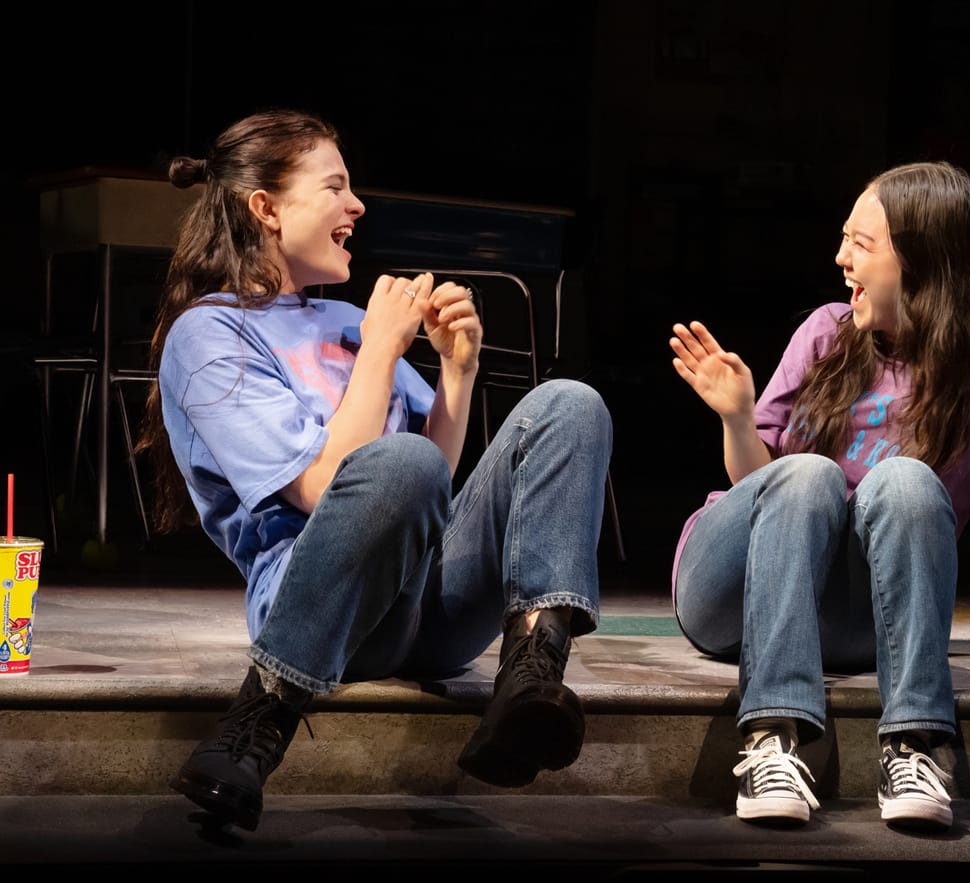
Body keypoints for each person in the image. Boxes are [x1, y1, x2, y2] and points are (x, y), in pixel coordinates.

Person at [136, 109, 613, 831]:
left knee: (570, 405)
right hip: (328, 607)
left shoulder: (343, 320)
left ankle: (530, 677)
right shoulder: (210, 333)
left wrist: (457, 373)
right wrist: (383, 348)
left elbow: (431, 485)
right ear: (266, 208)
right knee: (400, 460)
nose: (356, 205)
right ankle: (263, 714)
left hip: (428, 607)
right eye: (334, 187)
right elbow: (325, 487)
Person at [668, 160, 970, 833]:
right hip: (734, 592)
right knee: (808, 475)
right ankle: (770, 739)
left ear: (921, 264)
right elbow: (755, 486)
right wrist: (738, 420)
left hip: (856, 622)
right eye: (844, 240)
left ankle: (913, 748)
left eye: (860, 244)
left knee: (906, 480)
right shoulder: (825, 334)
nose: (841, 259)